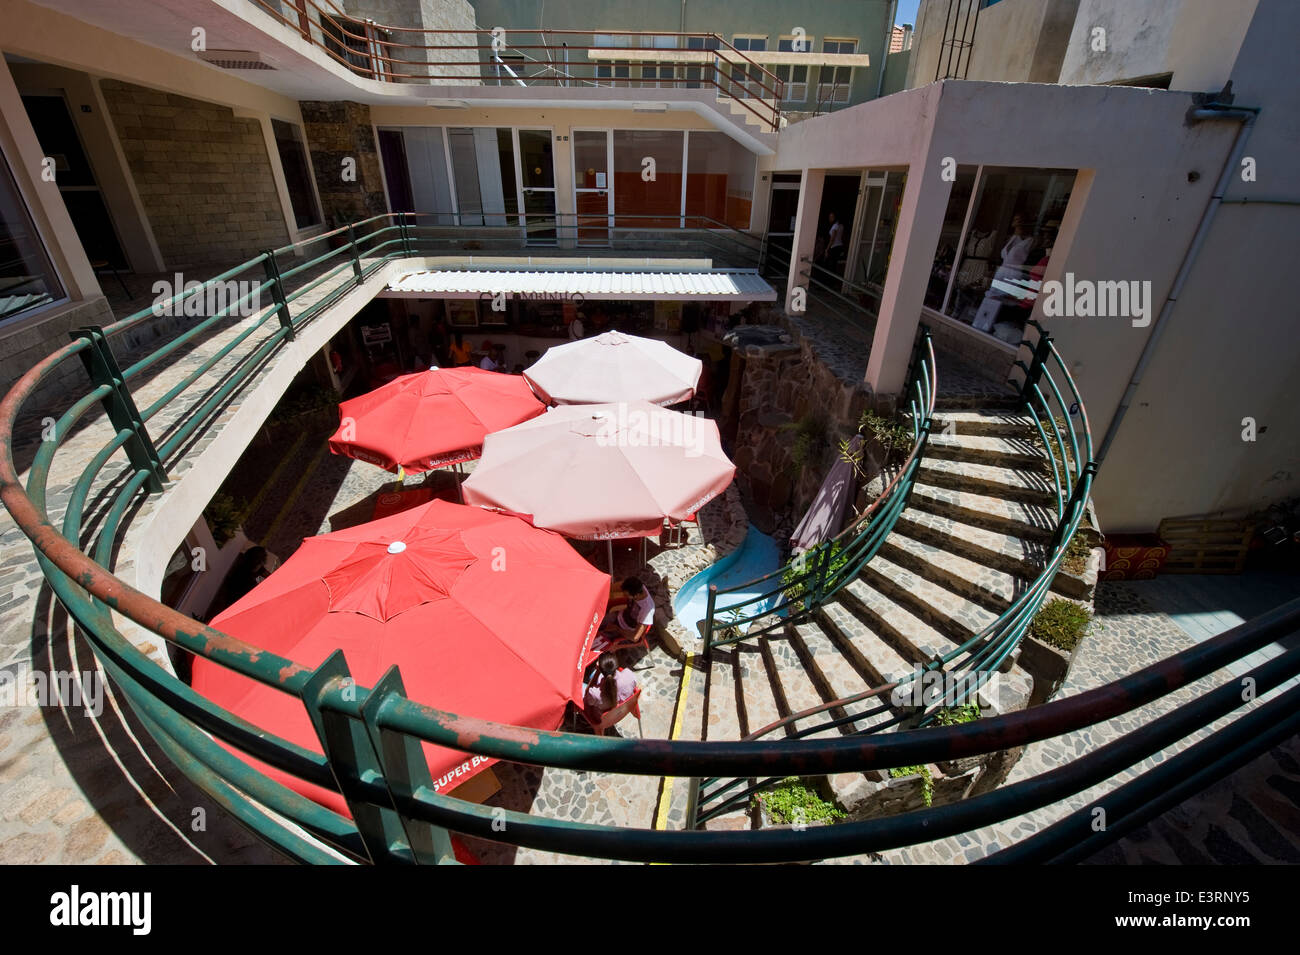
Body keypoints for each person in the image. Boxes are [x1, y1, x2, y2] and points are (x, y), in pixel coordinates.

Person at [595, 576, 655, 652]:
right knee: (595, 624)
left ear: (636, 595)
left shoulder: (646, 610)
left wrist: (617, 629)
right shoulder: (637, 586)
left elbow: (635, 637)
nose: (624, 596)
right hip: (618, 616)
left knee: (598, 641)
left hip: (624, 629)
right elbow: (614, 587)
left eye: (626, 595)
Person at [582, 652, 638, 718]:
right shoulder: (629, 675)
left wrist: (597, 672)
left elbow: (587, 698)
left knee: (581, 686)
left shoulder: (594, 693)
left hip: (601, 718)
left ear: (600, 668)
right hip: (621, 710)